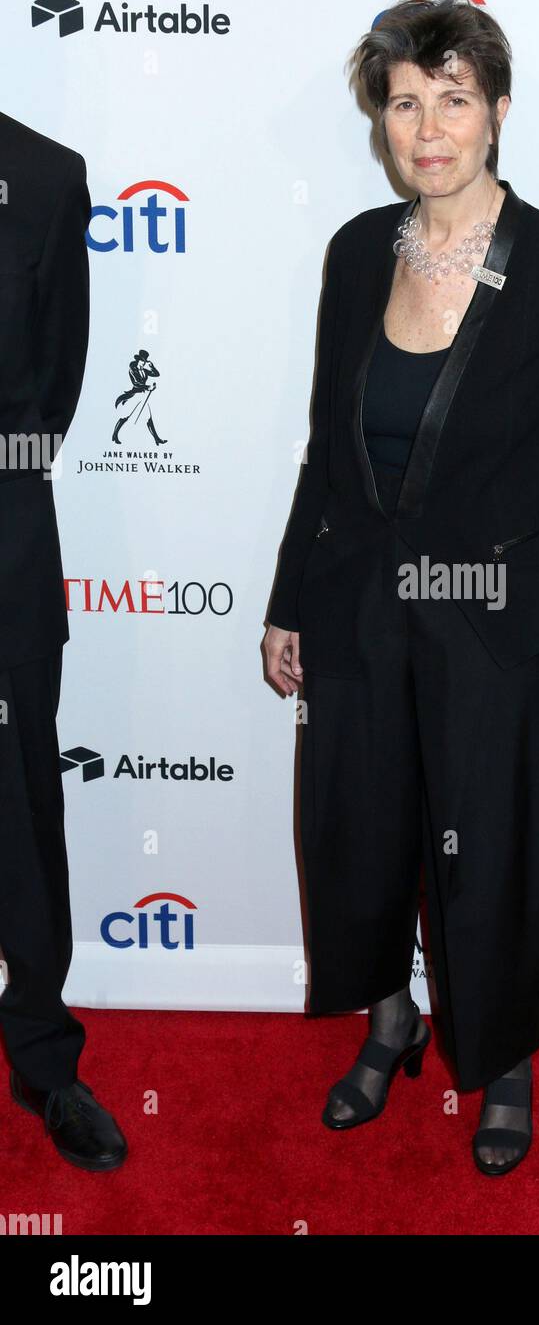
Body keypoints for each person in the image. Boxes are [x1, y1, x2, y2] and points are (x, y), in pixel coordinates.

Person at [263, 0, 539, 1175]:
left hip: (495, 617)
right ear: (382, 117)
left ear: (498, 109)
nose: (427, 128)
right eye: (405, 102)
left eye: (454, 99)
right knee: (364, 833)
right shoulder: (353, 251)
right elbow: (329, 450)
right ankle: (392, 1018)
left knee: (492, 848)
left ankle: (505, 1056)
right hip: (360, 610)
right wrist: (290, 597)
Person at [0, 109, 127, 1171]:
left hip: (0, 529)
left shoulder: (42, 175)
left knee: (23, 794)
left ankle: (44, 1054)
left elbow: (54, 386)